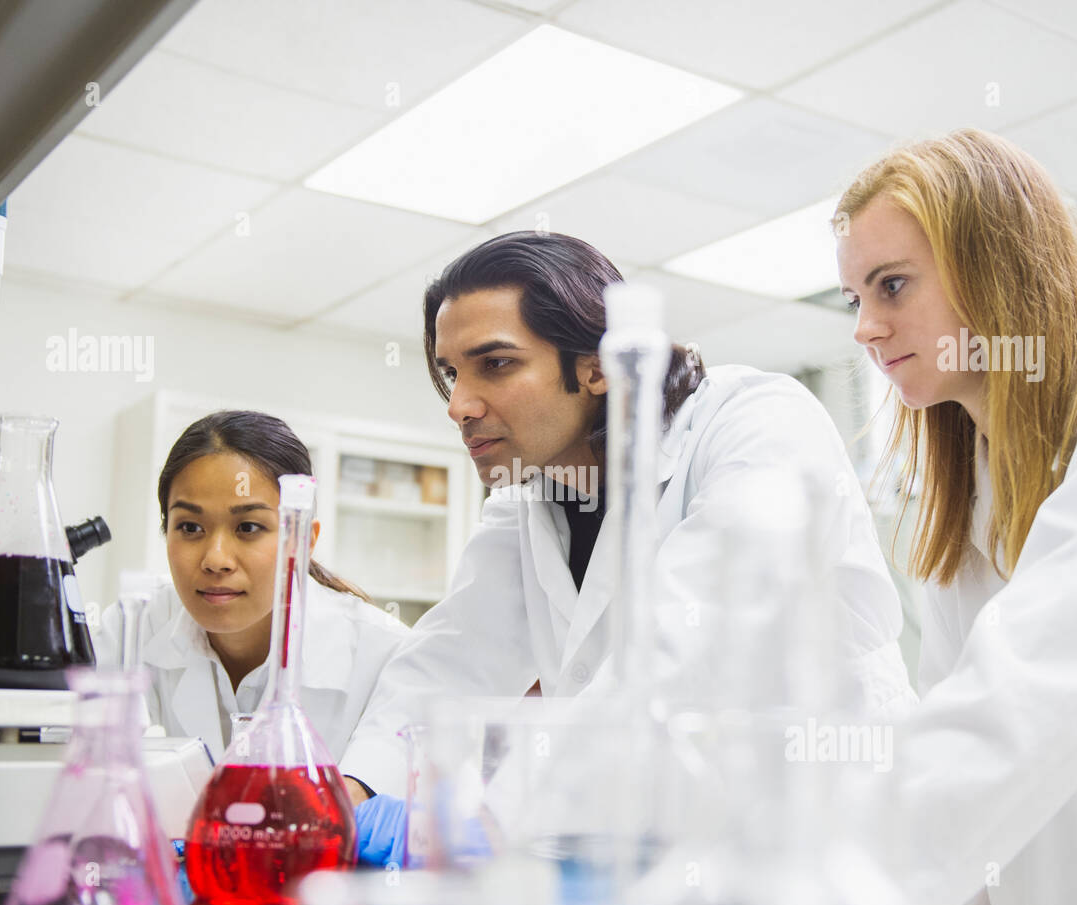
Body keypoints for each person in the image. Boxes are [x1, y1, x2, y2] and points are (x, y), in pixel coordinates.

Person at [341, 231, 916, 813]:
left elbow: (682, 653)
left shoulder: (759, 423)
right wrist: (350, 794)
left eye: (495, 364)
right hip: (662, 848)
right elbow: (452, 658)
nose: (459, 405)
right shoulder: (528, 494)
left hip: (836, 830)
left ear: (596, 367)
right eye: (451, 373)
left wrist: (492, 821)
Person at [835, 128, 1077, 905]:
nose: (865, 328)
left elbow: (1026, 700)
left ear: (996, 263)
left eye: (891, 286)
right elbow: (955, 737)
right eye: (854, 299)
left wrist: (813, 895)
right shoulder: (969, 482)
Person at [94, 411, 409, 775]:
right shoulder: (130, 631)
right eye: (191, 527)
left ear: (302, 539)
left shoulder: (383, 655)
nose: (216, 560)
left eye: (248, 526)